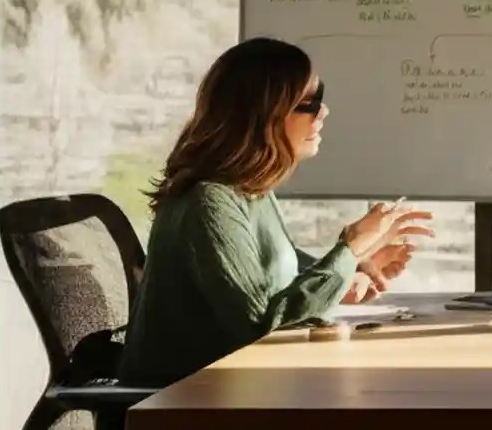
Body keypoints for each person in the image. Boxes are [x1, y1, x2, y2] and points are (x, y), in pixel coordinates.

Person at [119, 37, 434, 387]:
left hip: (234, 393)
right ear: (264, 115)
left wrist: (353, 270)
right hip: (185, 406)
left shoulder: (250, 192)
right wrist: (351, 247)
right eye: (310, 103)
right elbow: (260, 326)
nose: (324, 112)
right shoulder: (208, 203)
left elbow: (278, 283)